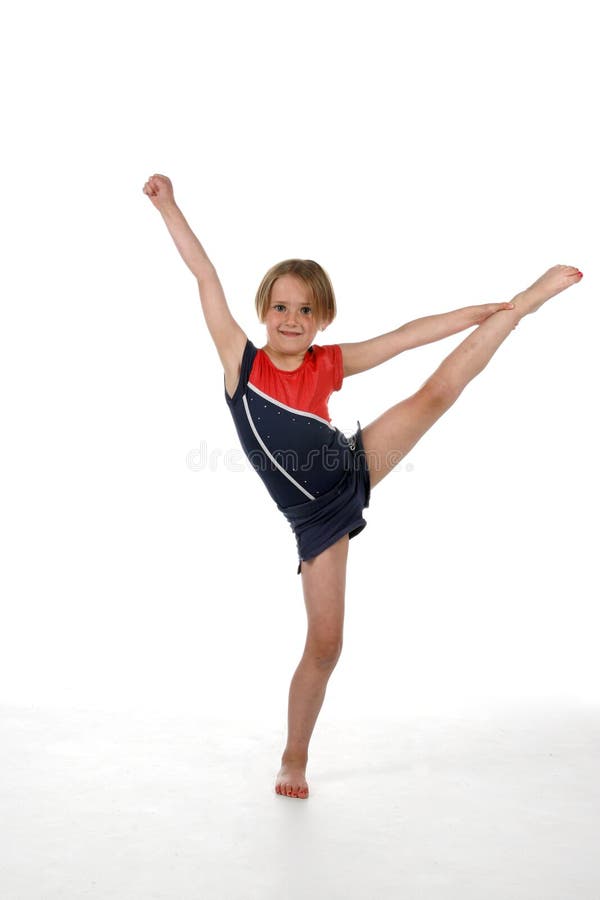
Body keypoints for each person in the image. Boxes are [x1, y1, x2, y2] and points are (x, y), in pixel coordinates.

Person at [143, 172, 583, 800]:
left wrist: (473, 314)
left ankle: (521, 306)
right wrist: (169, 206)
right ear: (262, 310)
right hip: (316, 517)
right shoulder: (242, 361)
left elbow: (401, 339)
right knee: (326, 644)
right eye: (280, 307)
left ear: (321, 319)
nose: (291, 319)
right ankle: (294, 757)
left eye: (305, 310)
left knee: (438, 393)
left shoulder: (329, 361)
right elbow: (205, 275)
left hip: (353, 465)